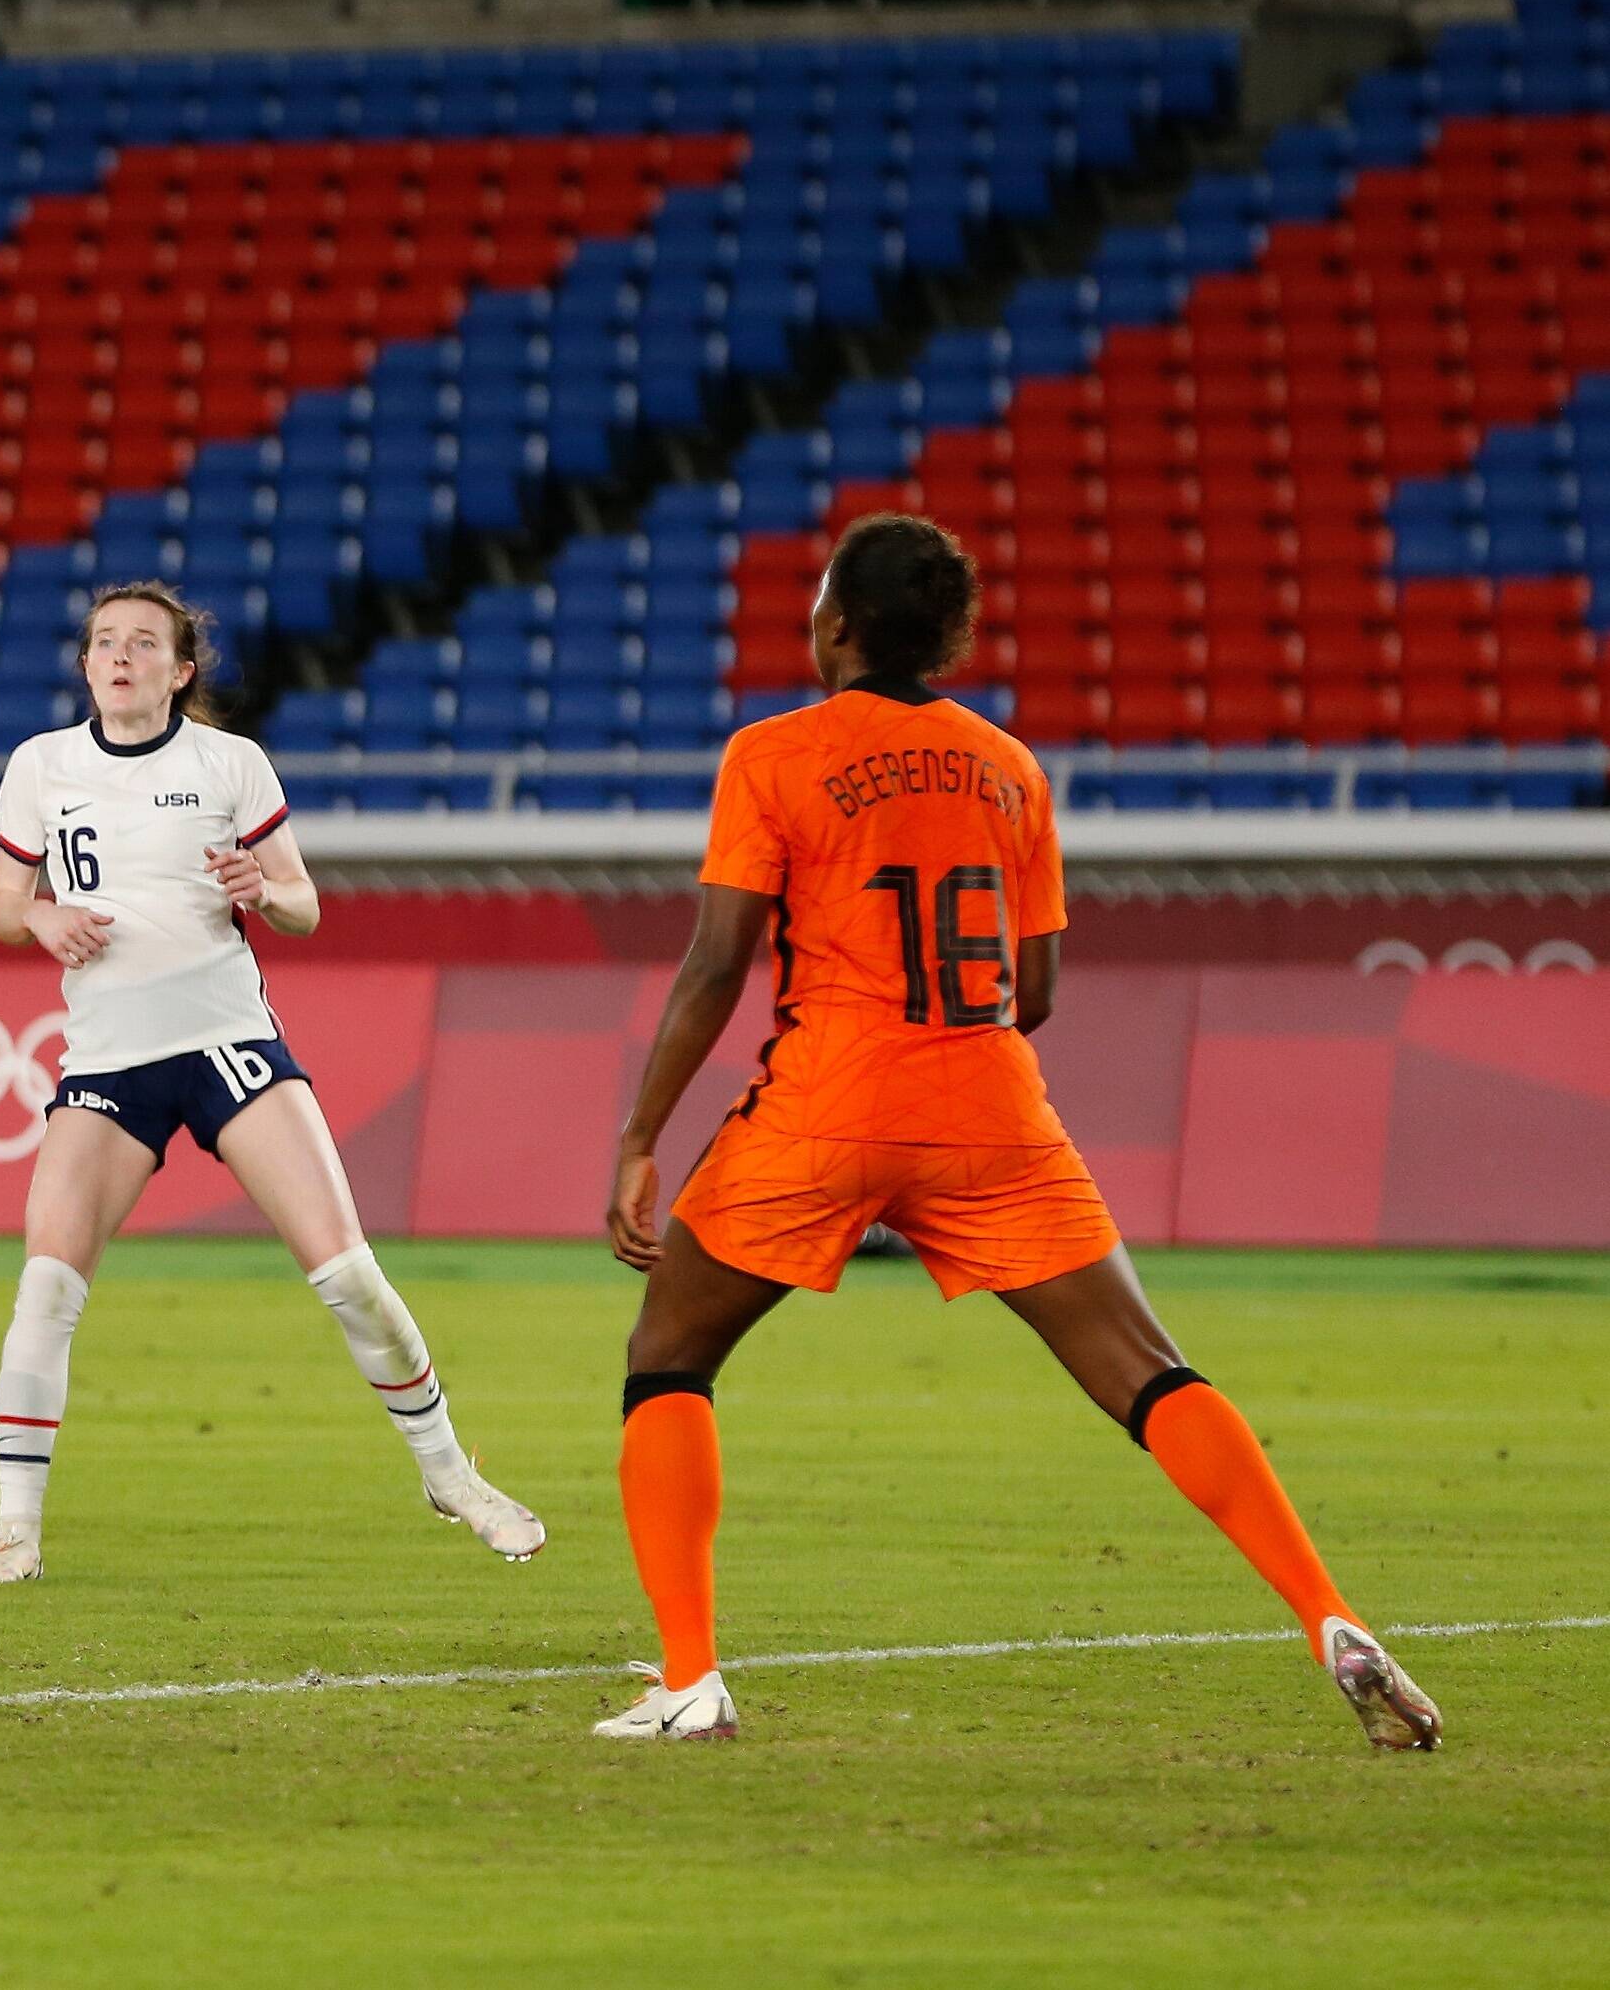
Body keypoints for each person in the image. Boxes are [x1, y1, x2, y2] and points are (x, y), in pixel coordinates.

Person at [596, 513, 1441, 1748]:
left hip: (829, 1096)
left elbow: (718, 959)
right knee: (1149, 1369)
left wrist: (639, 1133)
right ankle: (1327, 1613)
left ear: (835, 625)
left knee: (670, 1351)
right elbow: (1033, 991)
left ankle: (689, 1681)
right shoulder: (1009, 766)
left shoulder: (774, 753)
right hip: (990, 1102)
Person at [0, 581, 543, 1586]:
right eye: (105, 641)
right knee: (48, 1281)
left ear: (182, 669)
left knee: (347, 1269)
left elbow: (306, 904)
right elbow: (7, 909)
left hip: (229, 1040)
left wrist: (263, 890)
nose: (120, 656)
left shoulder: (231, 763)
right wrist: (45, 918)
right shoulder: (40, 765)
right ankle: (17, 1530)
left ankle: (452, 1474)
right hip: (107, 1058)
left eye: (144, 643)